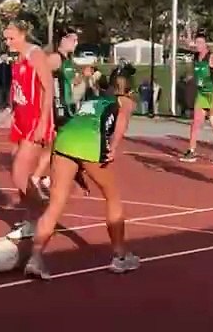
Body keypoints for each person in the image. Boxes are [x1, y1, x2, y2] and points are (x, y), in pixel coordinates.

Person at [25, 73, 140, 280]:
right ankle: (120, 255)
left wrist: (79, 174)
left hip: (64, 140)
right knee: (112, 195)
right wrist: (113, 147)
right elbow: (122, 119)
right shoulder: (125, 101)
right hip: (89, 143)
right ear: (129, 89)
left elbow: (77, 127)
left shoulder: (93, 99)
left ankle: (35, 257)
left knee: (56, 204)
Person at [0, 19, 55, 241]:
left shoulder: (36, 55)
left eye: (11, 37)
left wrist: (43, 122)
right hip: (21, 119)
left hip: (35, 119)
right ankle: (31, 219)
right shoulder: (18, 58)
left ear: (23, 35)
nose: (7, 42)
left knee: (19, 173)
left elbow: (48, 87)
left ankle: (46, 211)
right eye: (6, 38)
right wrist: (8, 110)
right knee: (21, 173)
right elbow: (18, 89)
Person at [32, 28, 90, 199]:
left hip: (69, 108)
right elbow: (39, 74)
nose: (76, 43)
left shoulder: (68, 61)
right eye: (73, 39)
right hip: (59, 109)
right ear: (63, 40)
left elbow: (72, 84)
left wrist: (84, 77)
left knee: (56, 145)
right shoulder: (56, 58)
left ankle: (41, 178)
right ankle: (49, 178)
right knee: (70, 143)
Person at [179, 32, 213, 165]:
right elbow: (187, 46)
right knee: (195, 123)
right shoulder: (196, 57)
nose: (198, 46)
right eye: (196, 43)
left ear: (206, 44)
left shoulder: (212, 58)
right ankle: (191, 150)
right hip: (202, 94)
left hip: (212, 94)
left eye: (200, 43)